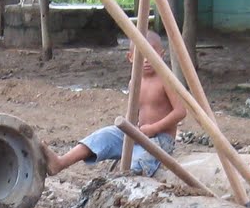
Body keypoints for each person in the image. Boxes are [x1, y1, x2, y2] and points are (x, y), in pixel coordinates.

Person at [44, 30, 186, 177]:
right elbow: (135, 112)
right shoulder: (134, 82)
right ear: (130, 57)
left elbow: (181, 111)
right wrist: (130, 127)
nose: (146, 60)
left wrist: (154, 128)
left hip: (160, 139)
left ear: (161, 55)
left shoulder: (166, 79)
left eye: (151, 54)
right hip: (138, 133)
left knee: (138, 162)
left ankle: (129, 176)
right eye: (141, 55)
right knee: (102, 136)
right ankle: (61, 162)